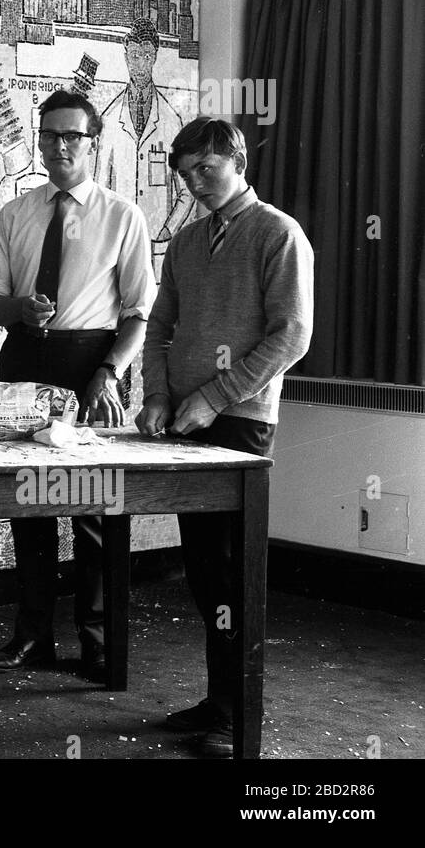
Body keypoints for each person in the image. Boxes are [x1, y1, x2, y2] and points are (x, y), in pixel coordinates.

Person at [137, 117, 313, 756]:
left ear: (237, 161)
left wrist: (212, 397)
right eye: (185, 175)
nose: (194, 183)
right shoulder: (185, 243)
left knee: (234, 575)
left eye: (205, 170)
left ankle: (238, 720)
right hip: (187, 421)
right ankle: (219, 701)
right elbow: (158, 326)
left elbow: (291, 335)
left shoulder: (278, 234)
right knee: (206, 572)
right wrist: (158, 394)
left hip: (238, 423)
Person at [0, 89, 155, 681]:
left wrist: (110, 373)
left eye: (70, 136)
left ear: (91, 143)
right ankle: (32, 637)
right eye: (49, 134)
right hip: (26, 357)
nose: (58, 146)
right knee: (29, 505)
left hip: (91, 366)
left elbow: (137, 313)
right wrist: (19, 309)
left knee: (95, 509)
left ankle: (98, 640)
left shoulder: (122, 216)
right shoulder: (15, 213)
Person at [93, 18, 195, 280]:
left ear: (155, 58)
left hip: (158, 247)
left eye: (146, 56)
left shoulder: (171, 121)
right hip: (118, 244)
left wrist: (168, 231)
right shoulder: (109, 119)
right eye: (135, 56)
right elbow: (100, 189)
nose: (140, 64)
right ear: (126, 56)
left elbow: (187, 191)